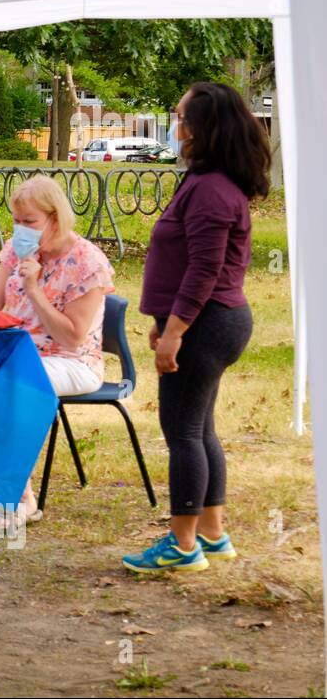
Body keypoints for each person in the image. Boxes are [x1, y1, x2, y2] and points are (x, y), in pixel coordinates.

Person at [122, 82, 268, 573]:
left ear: (201, 127)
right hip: (206, 321)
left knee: (182, 431)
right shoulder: (206, 180)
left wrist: (176, 331)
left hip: (207, 323)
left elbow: (205, 269)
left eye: (180, 116)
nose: (175, 124)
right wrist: (164, 320)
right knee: (199, 428)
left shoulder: (210, 190)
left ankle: (183, 545)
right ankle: (211, 533)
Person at [0, 175, 114, 524]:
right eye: (16, 220)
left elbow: (72, 337)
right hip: (13, 352)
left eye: (30, 221)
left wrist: (34, 289)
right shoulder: (17, 250)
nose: (21, 229)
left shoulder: (88, 263)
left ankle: (20, 498)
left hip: (70, 361)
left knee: (10, 385)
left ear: (56, 218)